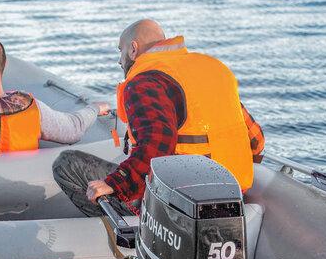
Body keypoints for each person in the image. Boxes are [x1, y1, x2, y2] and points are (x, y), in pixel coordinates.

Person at [53, 20, 264, 217]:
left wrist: (116, 184)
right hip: (232, 195)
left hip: (179, 203)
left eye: (121, 51)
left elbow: (158, 144)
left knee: (66, 163)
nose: (119, 60)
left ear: (133, 49)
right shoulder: (213, 70)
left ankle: (126, 235)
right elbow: (256, 140)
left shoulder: (145, 81)